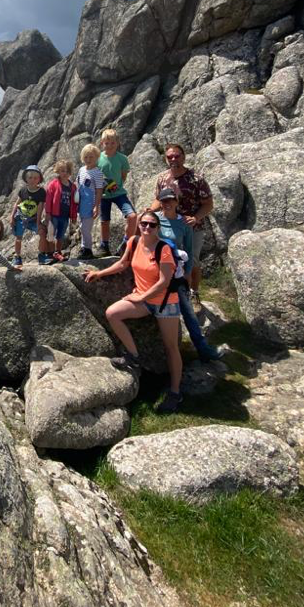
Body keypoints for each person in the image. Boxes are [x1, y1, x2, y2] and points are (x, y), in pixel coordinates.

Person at [84, 208, 184, 414]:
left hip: (165, 302)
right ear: (139, 225)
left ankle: (175, 392)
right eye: (143, 224)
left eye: (152, 225)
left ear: (158, 228)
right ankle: (134, 357)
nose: (147, 227)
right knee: (113, 313)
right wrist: (99, 273)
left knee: (171, 347)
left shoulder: (163, 249)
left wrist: (141, 297)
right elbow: (123, 263)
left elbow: (164, 281)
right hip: (144, 300)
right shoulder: (134, 242)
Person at [156, 187, 222, 362]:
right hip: (157, 274)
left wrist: (186, 274)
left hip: (177, 275)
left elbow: (190, 251)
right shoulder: (154, 221)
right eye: (164, 201)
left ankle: (203, 349)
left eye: (170, 200)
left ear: (177, 202)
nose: (167, 204)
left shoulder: (183, 224)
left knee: (188, 314)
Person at [152, 142, 213, 311]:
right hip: (170, 225)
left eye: (177, 156)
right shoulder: (163, 178)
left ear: (184, 157)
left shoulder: (196, 179)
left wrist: (196, 218)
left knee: (191, 261)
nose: (173, 159)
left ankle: (194, 293)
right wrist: (150, 211)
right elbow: (159, 198)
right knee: (168, 258)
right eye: (169, 156)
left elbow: (208, 204)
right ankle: (172, 291)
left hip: (193, 227)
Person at [97, 129, 137, 256]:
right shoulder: (98, 158)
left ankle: (125, 244)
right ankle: (104, 246)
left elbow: (123, 176)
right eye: (107, 143)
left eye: (112, 143)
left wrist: (115, 186)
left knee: (132, 217)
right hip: (103, 195)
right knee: (104, 221)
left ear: (117, 143)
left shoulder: (122, 159)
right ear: (102, 143)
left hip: (119, 193)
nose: (109, 145)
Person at [10, 165, 49, 266]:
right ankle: (17, 257)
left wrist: (38, 223)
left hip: (33, 220)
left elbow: (40, 208)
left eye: (35, 178)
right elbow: (17, 203)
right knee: (18, 238)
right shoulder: (23, 190)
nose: (32, 180)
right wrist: (12, 217)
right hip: (21, 218)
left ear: (39, 179)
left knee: (42, 233)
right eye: (30, 177)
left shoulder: (41, 192)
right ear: (26, 179)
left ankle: (41, 255)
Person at [75, 145, 105, 259]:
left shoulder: (97, 173)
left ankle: (88, 249)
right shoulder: (81, 170)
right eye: (86, 157)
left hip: (90, 204)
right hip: (81, 203)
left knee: (85, 228)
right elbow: (77, 183)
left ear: (96, 157)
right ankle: (84, 248)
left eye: (91, 157)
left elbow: (99, 191)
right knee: (82, 226)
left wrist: (96, 206)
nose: (88, 160)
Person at [44, 159, 78, 262]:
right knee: (51, 234)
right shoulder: (53, 184)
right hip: (54, 214)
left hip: (65, 215)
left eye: (67, 171)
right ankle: (49, 253)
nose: (65, 173)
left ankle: (57, 252)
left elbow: (74, 203)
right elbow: (48, 199)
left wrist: (73, 216)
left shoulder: (72, 186)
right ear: (58, 171)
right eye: (62, 171)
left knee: (61, 235)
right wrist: (48, 213)